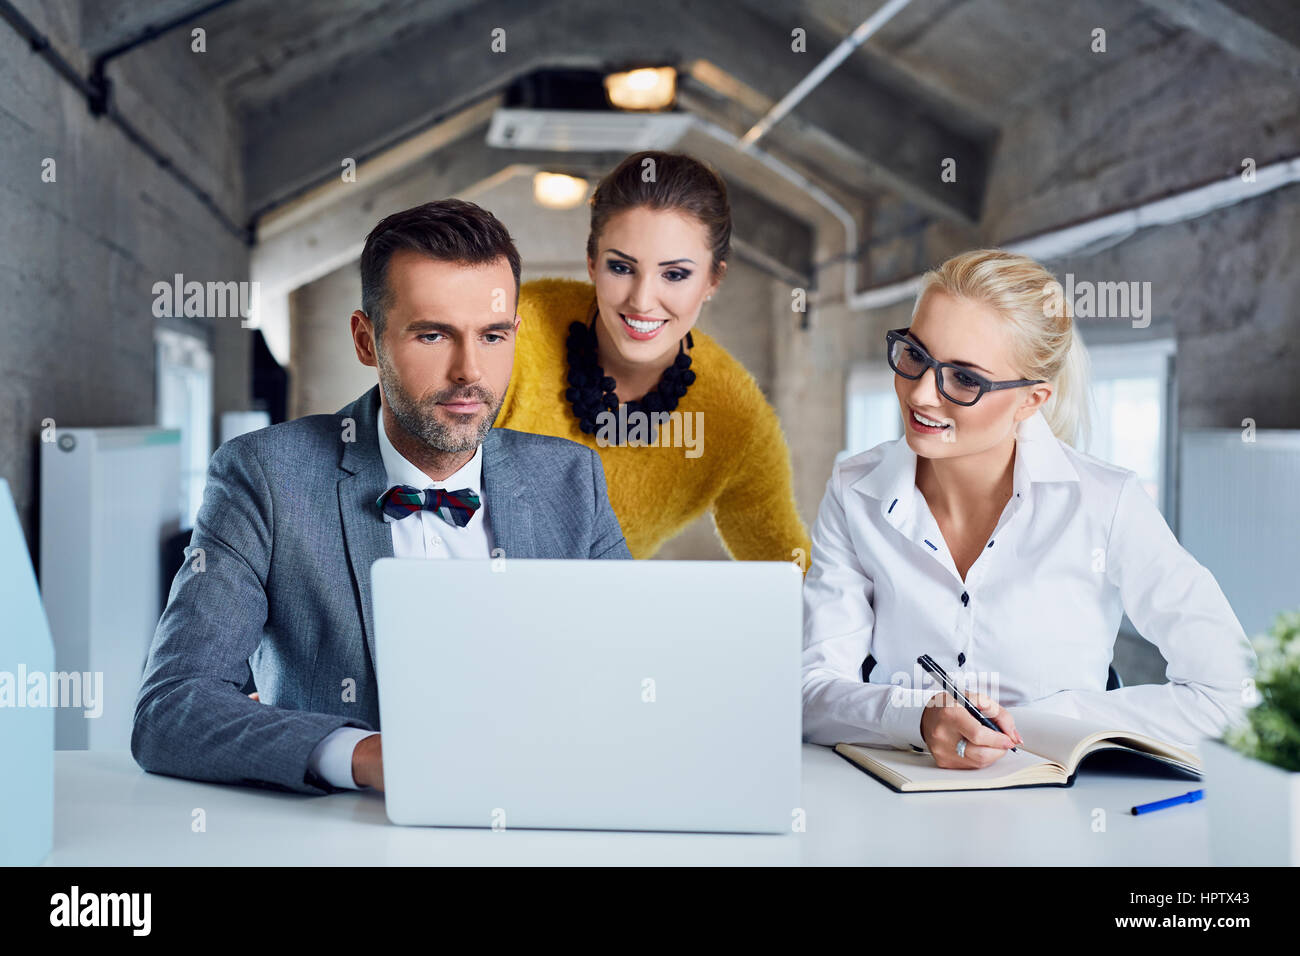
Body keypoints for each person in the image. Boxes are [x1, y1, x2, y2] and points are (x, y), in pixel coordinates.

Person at [133, 200, 631, 795]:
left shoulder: (571, 477)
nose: (469, 371)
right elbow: (172, 707)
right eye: (432, 334)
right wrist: (360, 757)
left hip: (540, 816)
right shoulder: (264, 476)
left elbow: (631, 669)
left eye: (492, 335)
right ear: (366, 340)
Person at [801, 249, 1256, 767]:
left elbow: (1232, 696)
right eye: (914, 356)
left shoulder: (1106, 504)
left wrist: (1044, 722)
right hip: (887, 800)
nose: (922, 394)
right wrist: (918, 716)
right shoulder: (854, 490)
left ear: (1031, 400)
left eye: (965, 379)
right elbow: (812, 695)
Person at [494, 150, 811, 565]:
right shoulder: (509, 337)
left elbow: (787, 571)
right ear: (592, 263)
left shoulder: (736, 418)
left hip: (601, 621)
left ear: (714, 279)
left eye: (675, 274)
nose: (642, 301)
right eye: (622, 268)